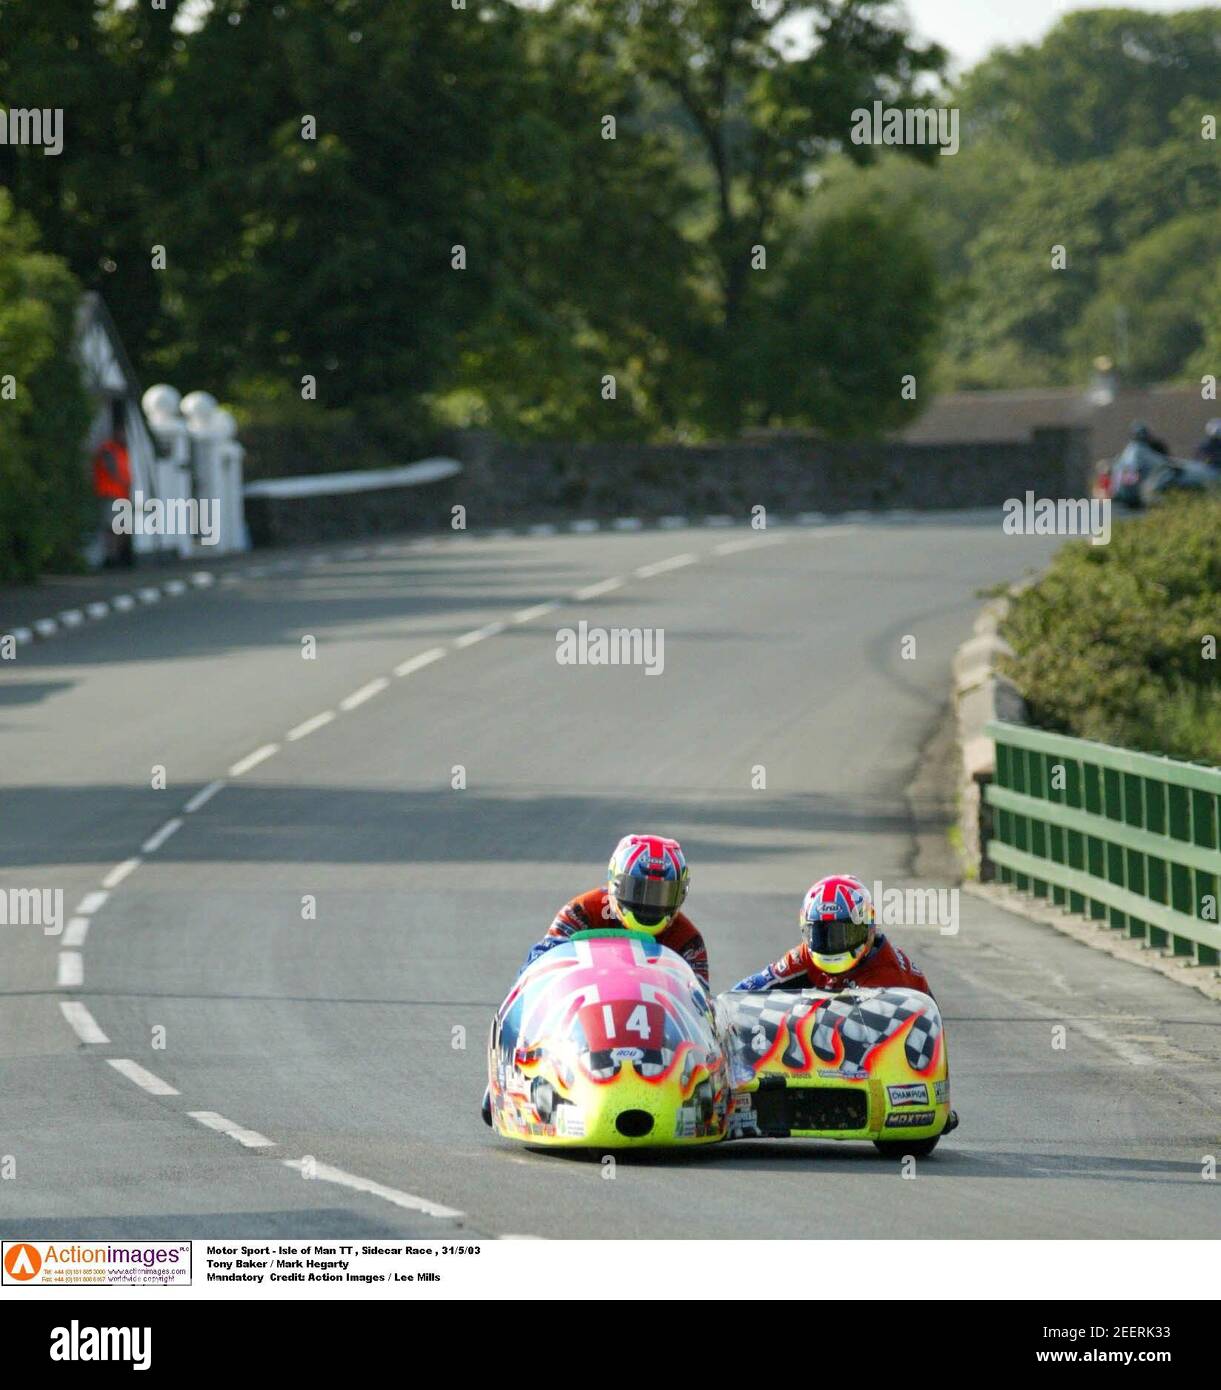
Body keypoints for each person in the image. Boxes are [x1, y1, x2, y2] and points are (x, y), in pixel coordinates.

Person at [483, 834, 706, 1125]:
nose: (648, 904)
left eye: (661, 895)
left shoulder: (687, 939)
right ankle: (510, 1071)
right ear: (615, 883)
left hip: (656, 1032)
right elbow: (536, 976)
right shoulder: (582, 911)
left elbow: (699, 1011)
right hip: (586, 1023)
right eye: (638, 890)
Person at [731, 873, 931, 995]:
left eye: (843, 933)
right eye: (821, 934)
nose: (831, 944)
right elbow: (756, 985)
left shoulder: (888, 974)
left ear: (869, 927)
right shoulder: (807, 954)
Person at [92, 419, 132, 567]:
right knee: (112, 528)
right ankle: (111, 558)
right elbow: (112, 469)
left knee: (121, 527)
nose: (124, 437)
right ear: (116, 433)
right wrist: (123, 481)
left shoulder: (122, 450)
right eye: (122, 433)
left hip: (121, 495)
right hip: (110, 494)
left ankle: (118, 556)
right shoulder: (108, 449)